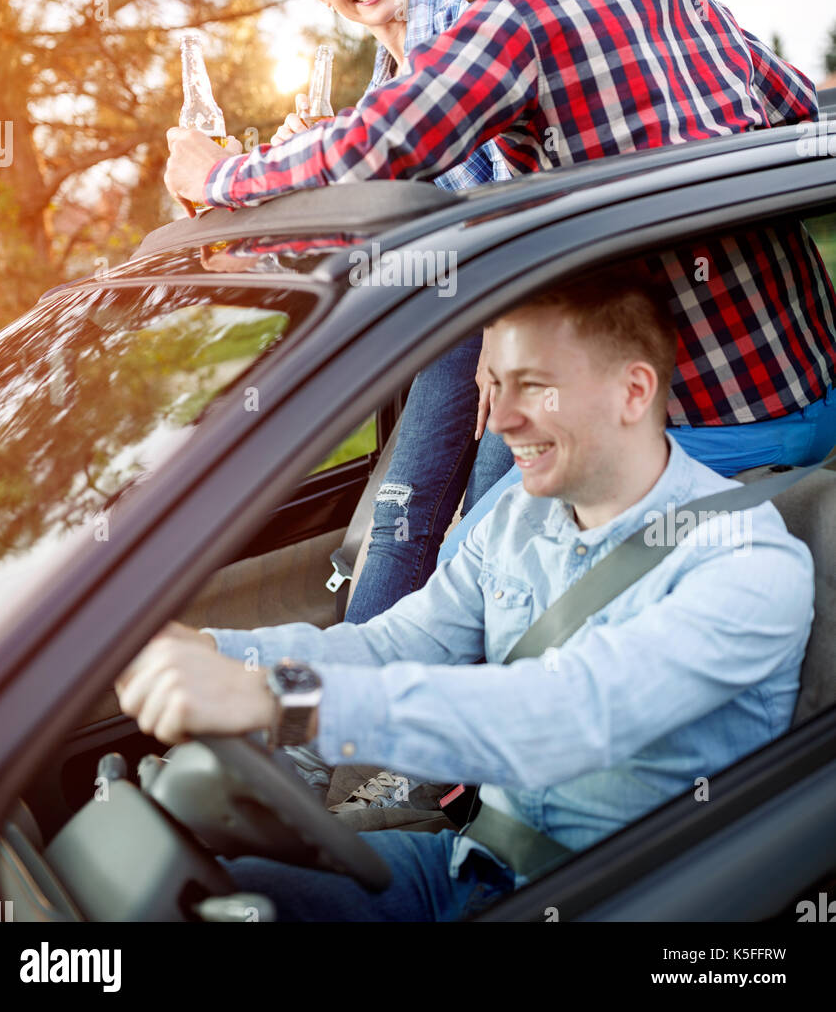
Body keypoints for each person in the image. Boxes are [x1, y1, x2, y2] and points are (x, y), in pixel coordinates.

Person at [165, 0, 836, 481]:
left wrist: (214, 177)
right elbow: (801, 117)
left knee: (482, 560)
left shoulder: (518, 15)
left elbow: (378, 149)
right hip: (815, 397)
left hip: (696, 438)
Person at [115, 266, 815, 921]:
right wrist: (221, 653)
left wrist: (283, 702)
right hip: (467, 865)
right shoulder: (517, 519)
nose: (501, 418)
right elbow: (393, 647)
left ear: (633, 392)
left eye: (534, 387)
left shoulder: (746, 562)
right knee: (188, 900)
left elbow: (566, 716)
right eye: (498, 383)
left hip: (620, 892)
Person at [273, 0, 514, 622]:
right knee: (397, 527)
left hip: (532, 305)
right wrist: (299, 189)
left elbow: (524, 192)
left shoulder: (471, 24)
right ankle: (341, 708)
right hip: (454, 322)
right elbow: (368, 250)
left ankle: (476, 710)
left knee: (495, 528)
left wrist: (509, 329)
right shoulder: (376, 96)